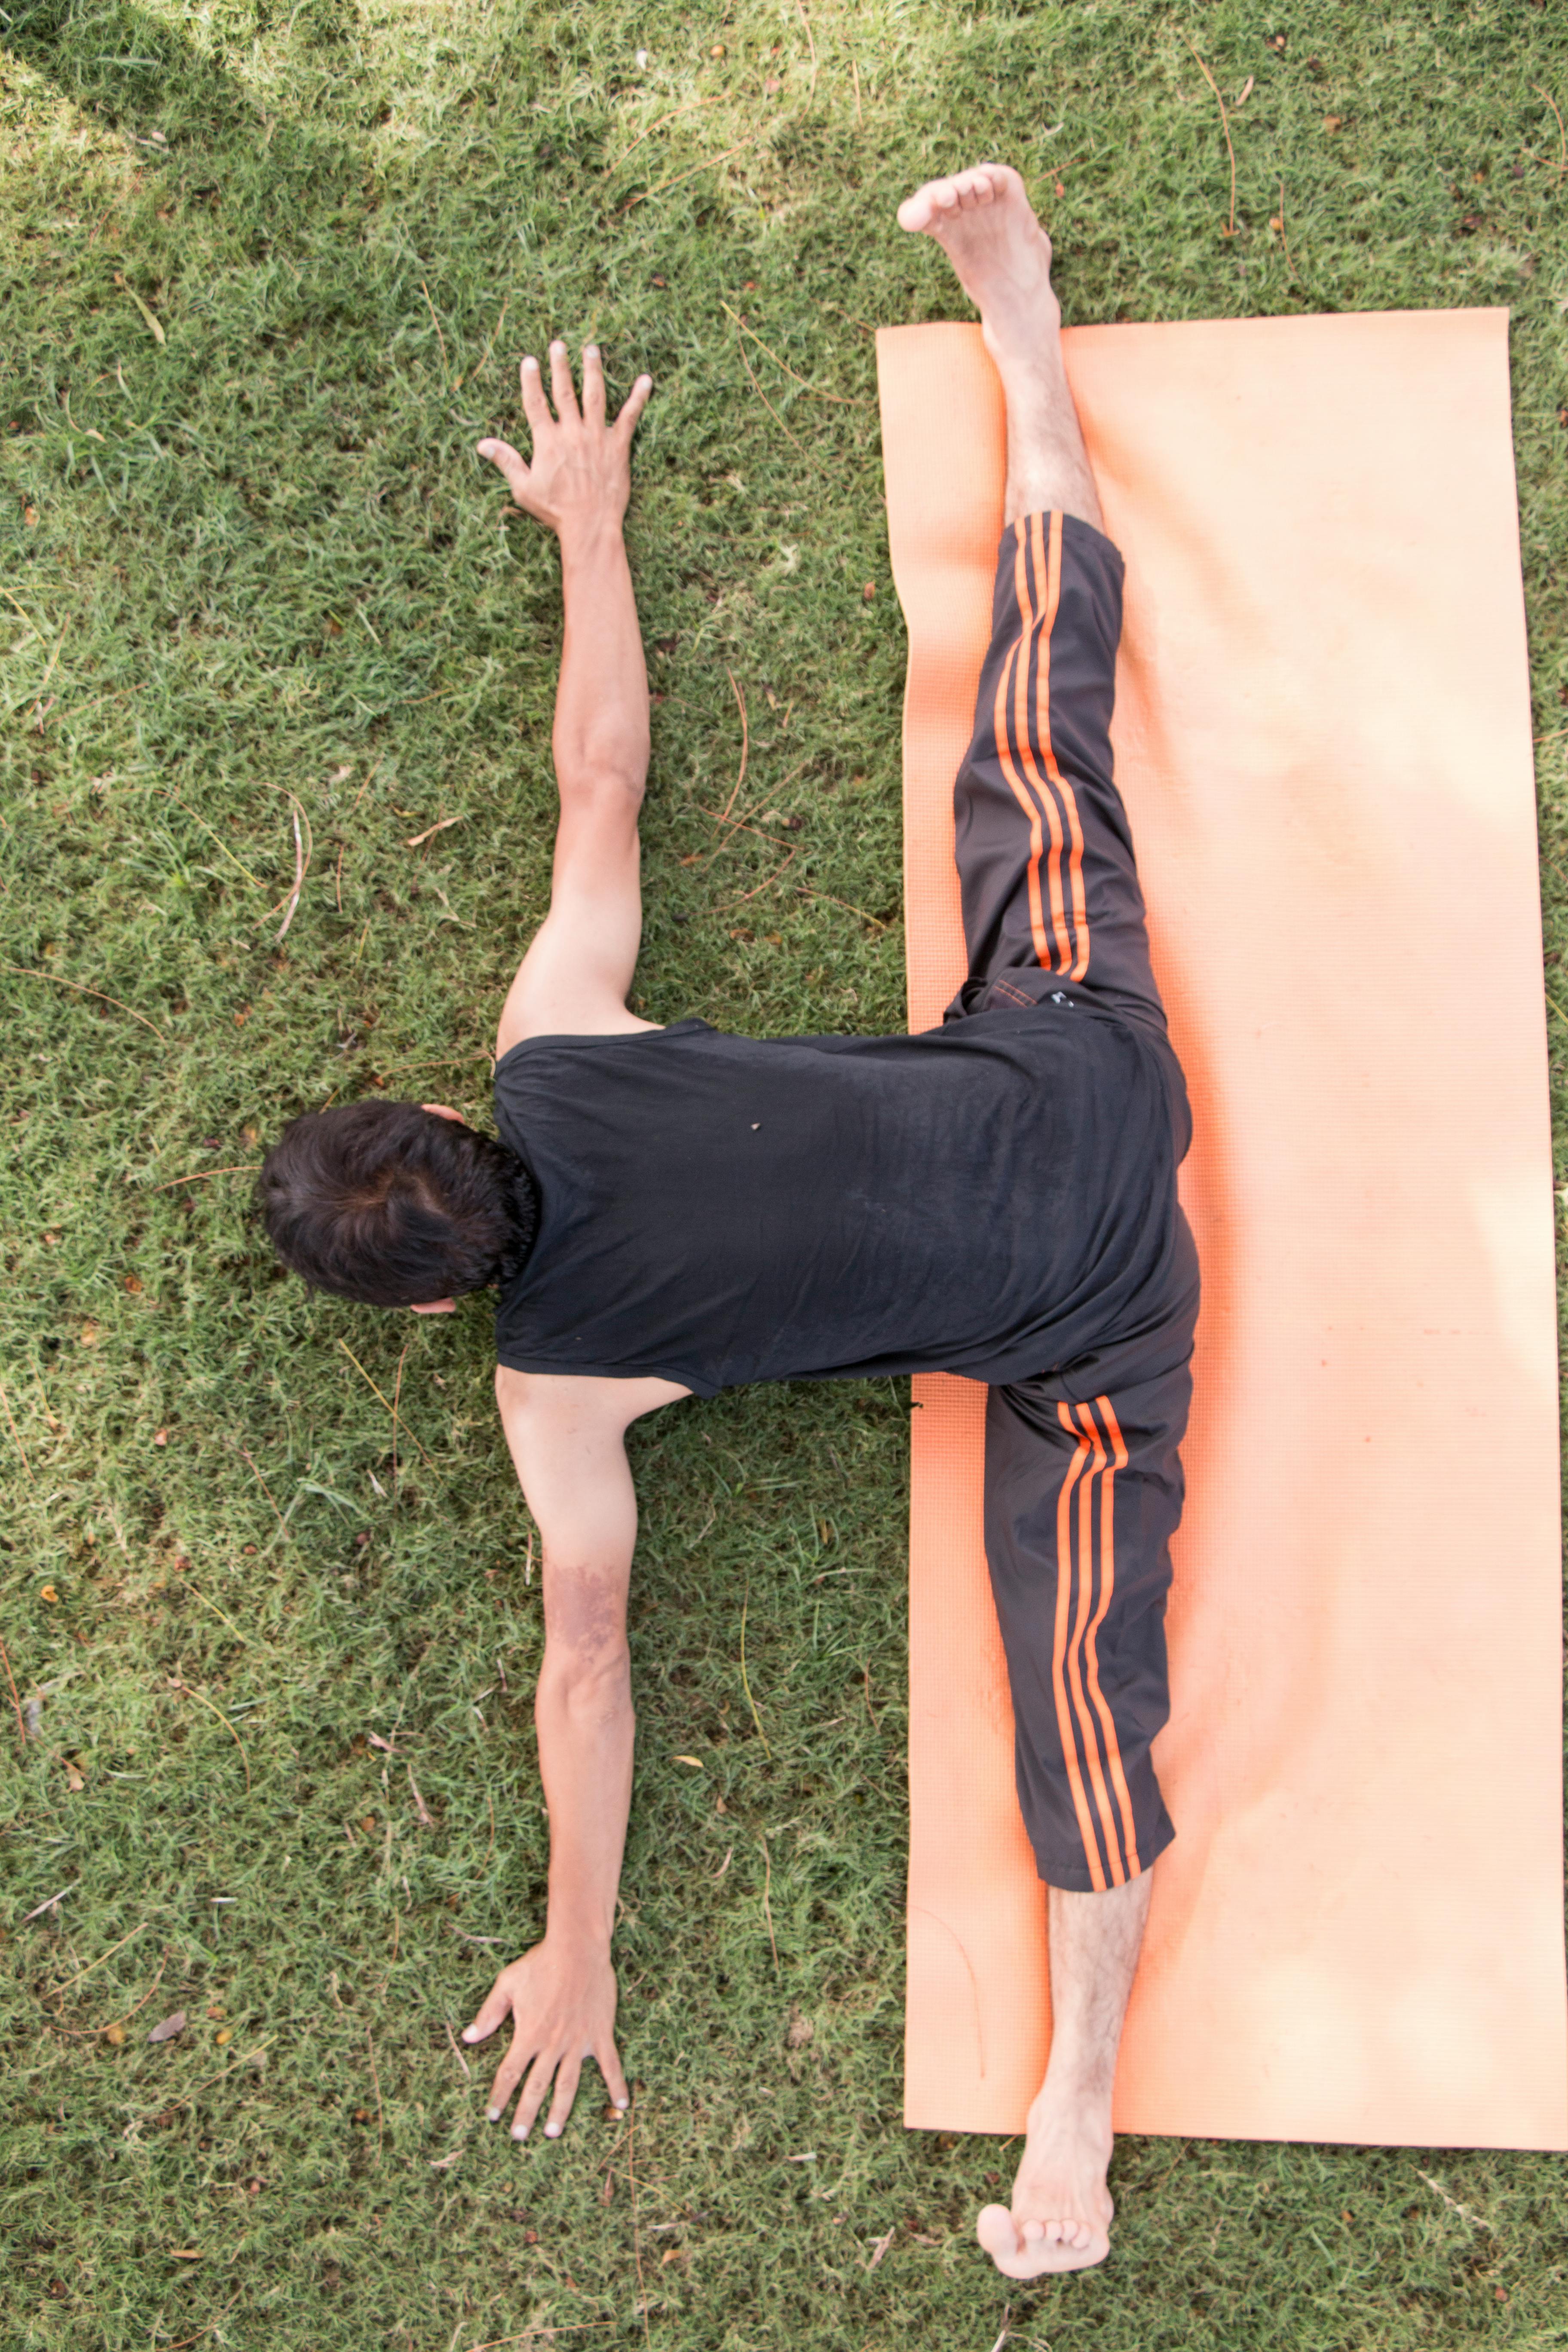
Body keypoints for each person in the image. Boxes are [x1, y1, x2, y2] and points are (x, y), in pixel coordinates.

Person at [257, 164, 1198, 2281]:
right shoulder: (551, 1040)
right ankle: (1023, 329)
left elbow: (585, 1660)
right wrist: (589, 524)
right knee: (1039, 715)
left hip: (1105, 1330)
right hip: (1082, 1050)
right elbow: (602, 781)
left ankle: (1078, 2107)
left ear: (426, 1310)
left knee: (1082, 1693)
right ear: (431, 1107)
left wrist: (577, 1946)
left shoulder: (558, 1396)